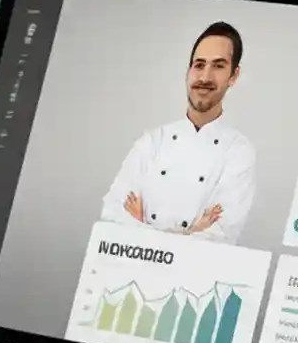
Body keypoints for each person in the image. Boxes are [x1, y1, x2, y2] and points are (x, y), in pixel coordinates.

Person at [100, 21, 256, 243]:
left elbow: (221, 235)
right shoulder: (152, 141)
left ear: (234, 75)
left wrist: (141, 228)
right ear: (188, 71)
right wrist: (188, 234)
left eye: (218, 66)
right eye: (199, 65)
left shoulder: (239, 151)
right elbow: (112, 215)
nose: (205, 77)